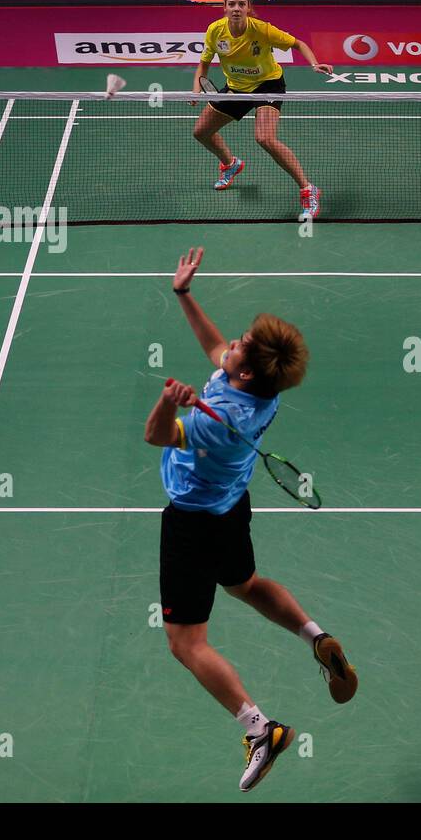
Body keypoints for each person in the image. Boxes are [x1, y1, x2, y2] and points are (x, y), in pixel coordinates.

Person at [144, 247, 357, 791]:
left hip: (192, 521)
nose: (231, 343)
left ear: (242, 371)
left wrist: (171, 400)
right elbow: (216, 347)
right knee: (245, 584)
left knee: (185, 643)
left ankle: (260, 730)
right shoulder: (260, 391)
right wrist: (184, 295)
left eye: (240, 345)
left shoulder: (219, 422)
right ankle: (317, 636)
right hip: (231, 507)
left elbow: (156, 436)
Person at [191, 0, 333, 218]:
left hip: (268, 85)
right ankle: (231, 164)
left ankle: (308, 189)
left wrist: (314, 64)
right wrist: (195, 90)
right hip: (236, 87)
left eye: (241, 4)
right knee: (201, 132)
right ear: (224, 7)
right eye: (232, 4)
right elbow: (204, 64)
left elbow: (298, 44)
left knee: (265, 138)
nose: (236, 8)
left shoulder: (262, 30)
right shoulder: (215, 31)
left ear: (248, 8)